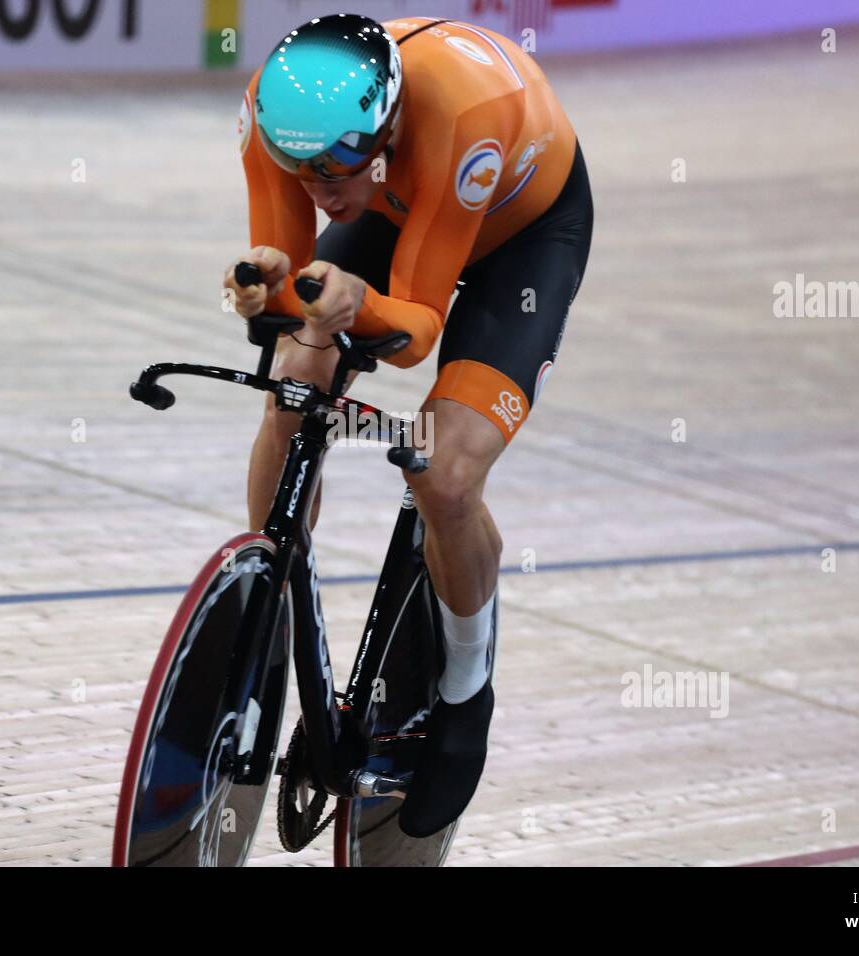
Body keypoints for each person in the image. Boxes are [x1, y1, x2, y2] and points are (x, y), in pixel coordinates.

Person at [224, 13, 593, 838]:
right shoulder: (278, 119)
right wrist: (269, 293)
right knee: (292, 385)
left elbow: (414, 328)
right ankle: (262, 615)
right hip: (397, 204)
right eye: (298, 168)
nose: (316, 187)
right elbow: (287, 276)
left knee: (445, 472)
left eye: (332, 167)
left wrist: (354, 302)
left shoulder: (462, 117)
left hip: (522, 234)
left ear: (386, 126)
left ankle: (466, 691)